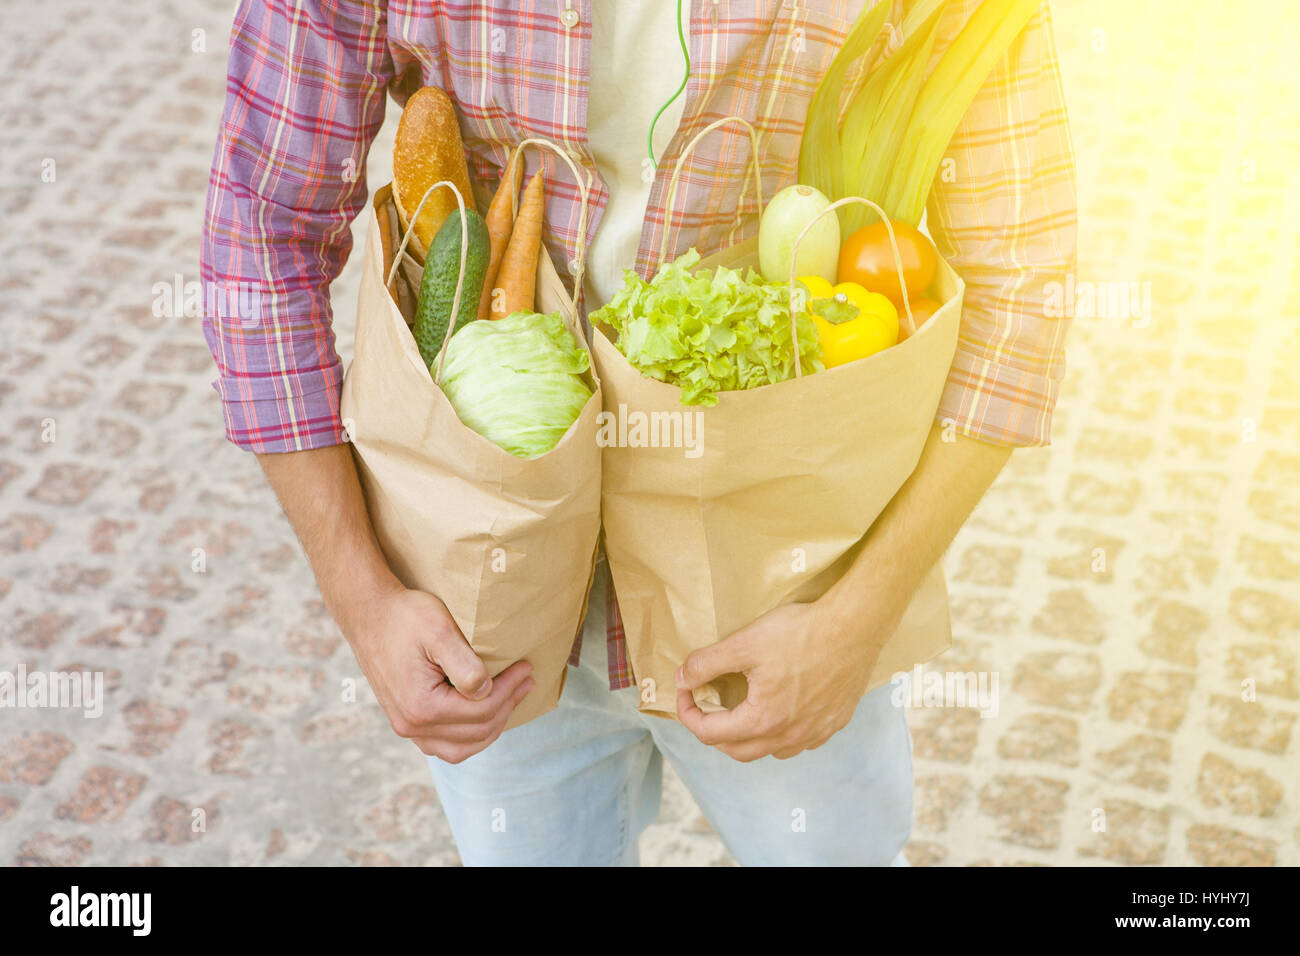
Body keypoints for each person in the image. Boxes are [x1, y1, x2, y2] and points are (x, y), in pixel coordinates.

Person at [201, 0, 1076, 866]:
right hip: (488, 605)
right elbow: (260, 230)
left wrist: (859, 615)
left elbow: (1022, 283)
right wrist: (365, 599)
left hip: (788, 598)